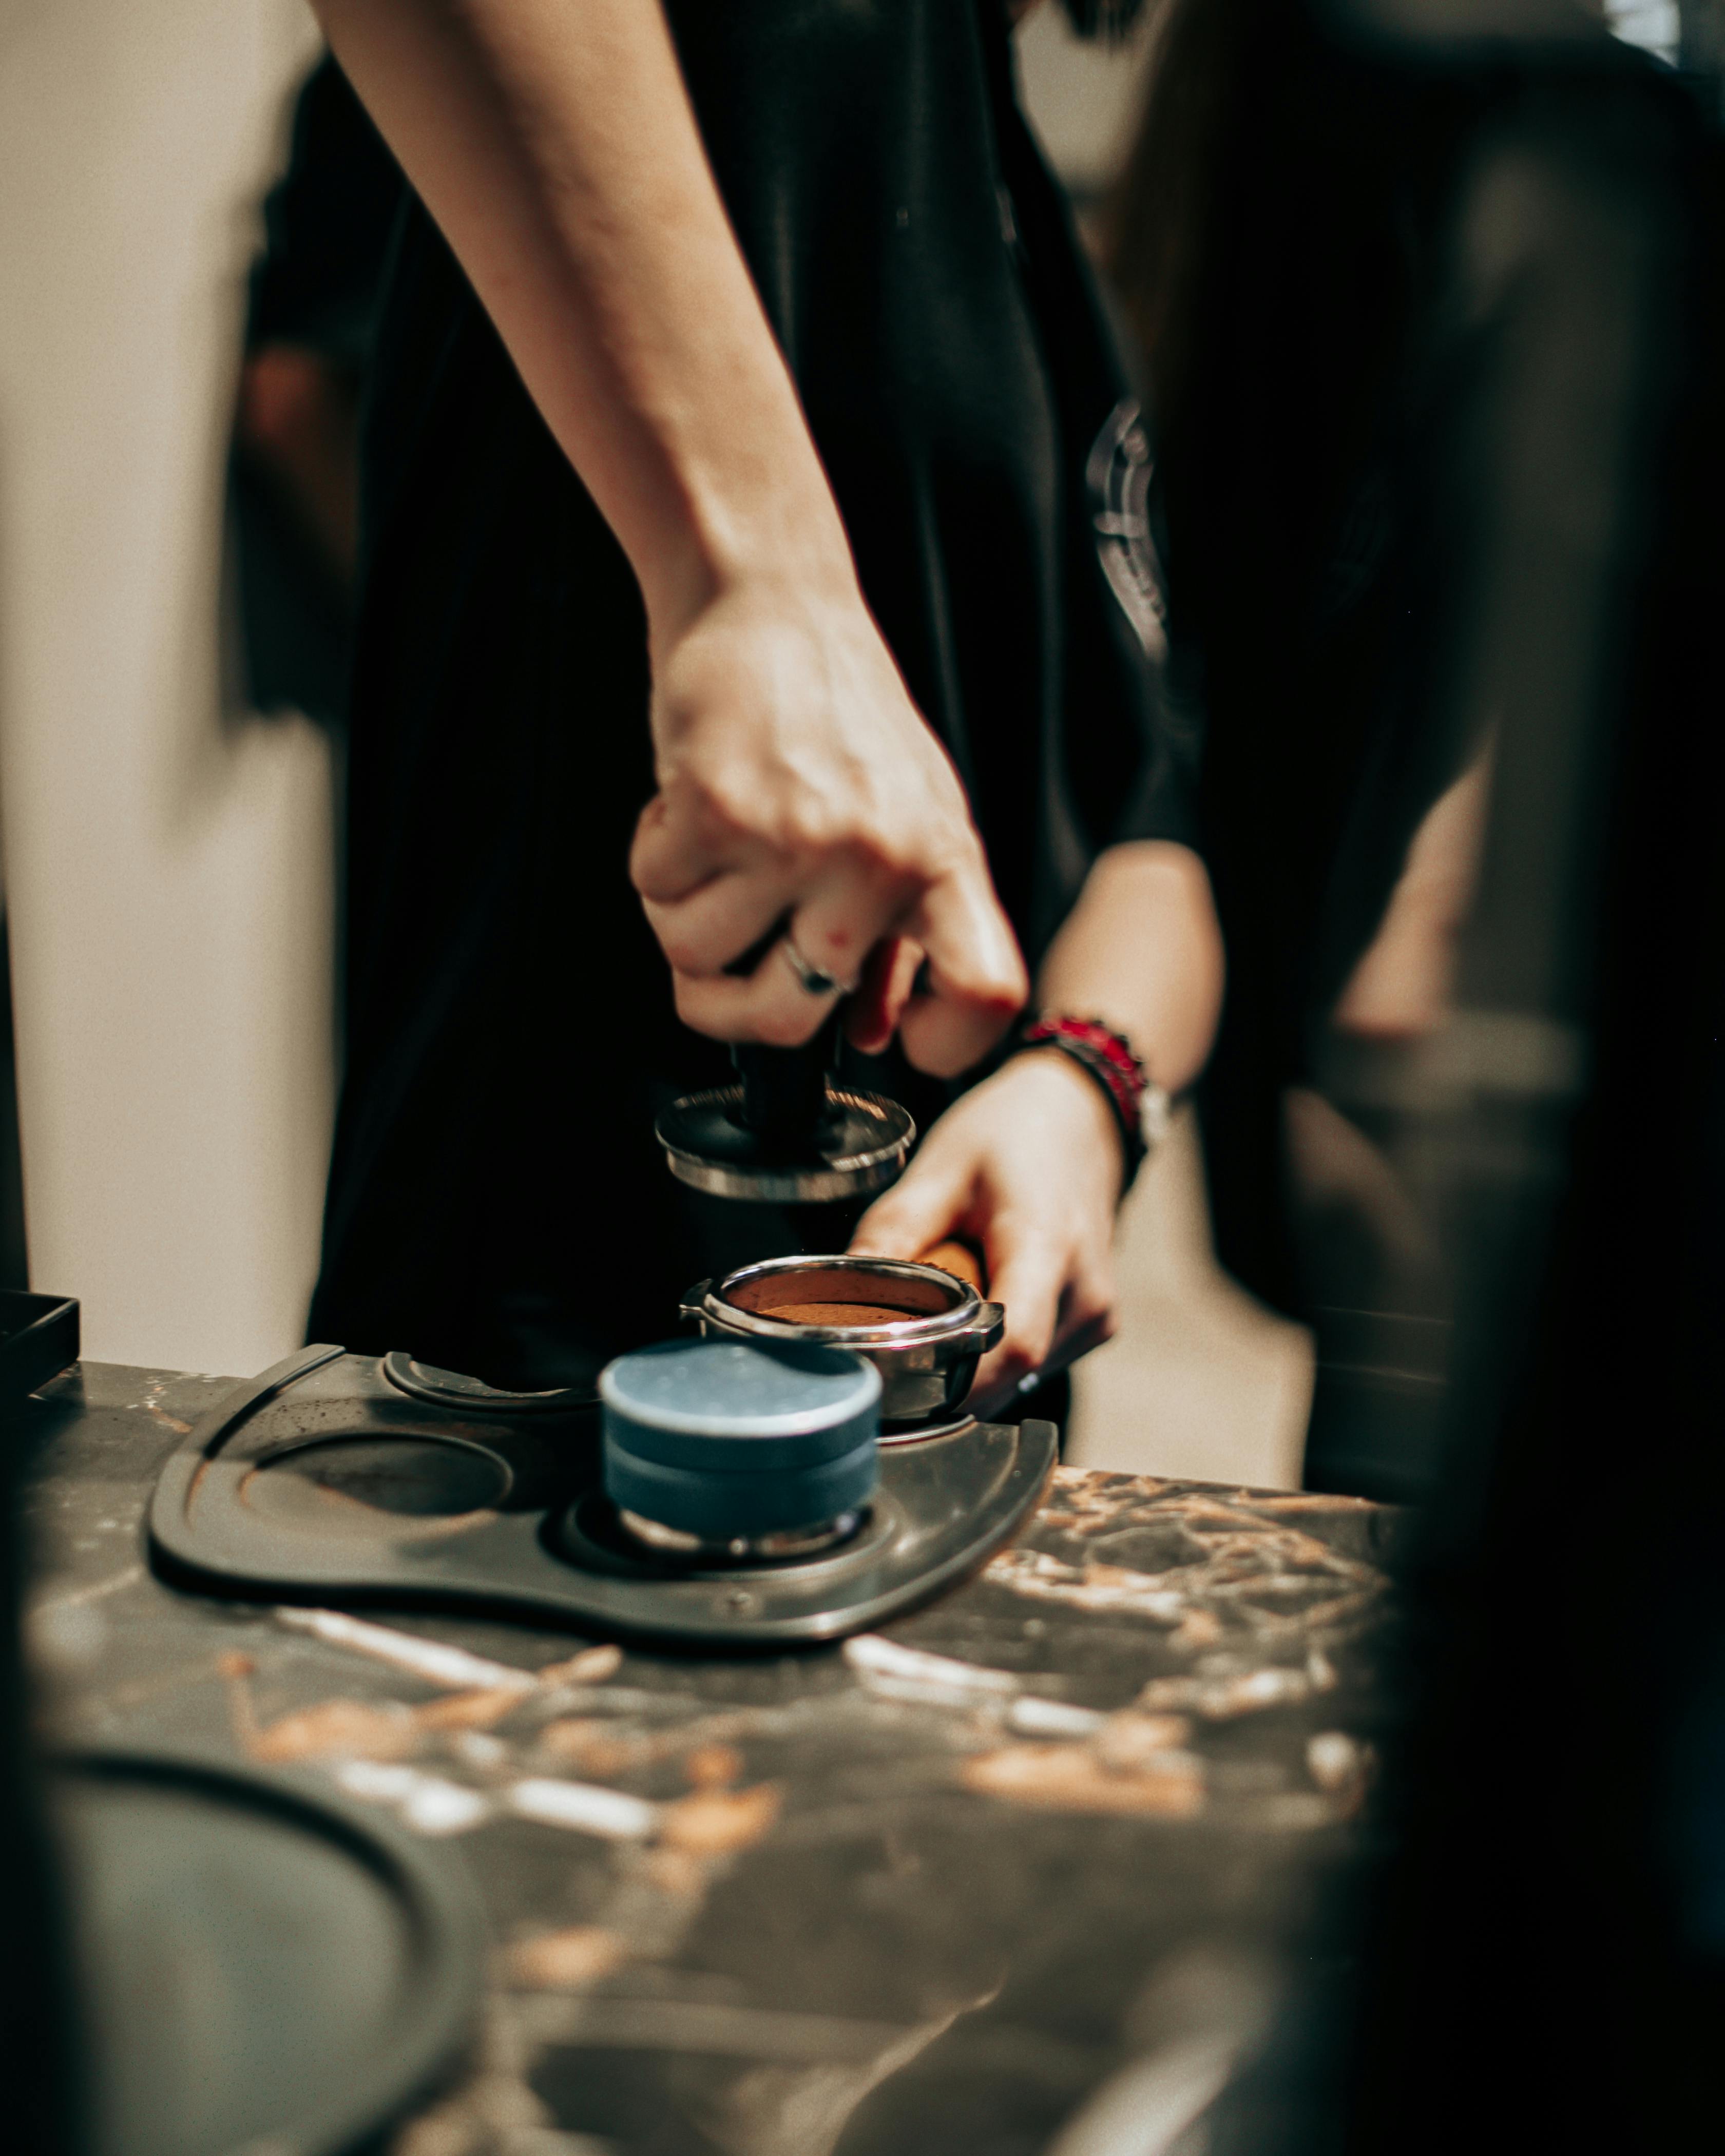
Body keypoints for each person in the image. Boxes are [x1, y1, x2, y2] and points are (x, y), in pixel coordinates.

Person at [303, 0, 1223, 1416]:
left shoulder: (1010, 190)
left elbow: (1156, 839)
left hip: (942, 1412)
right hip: (546, 1435)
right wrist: (759, 589)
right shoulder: (789, 44)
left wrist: (1080, 1089)